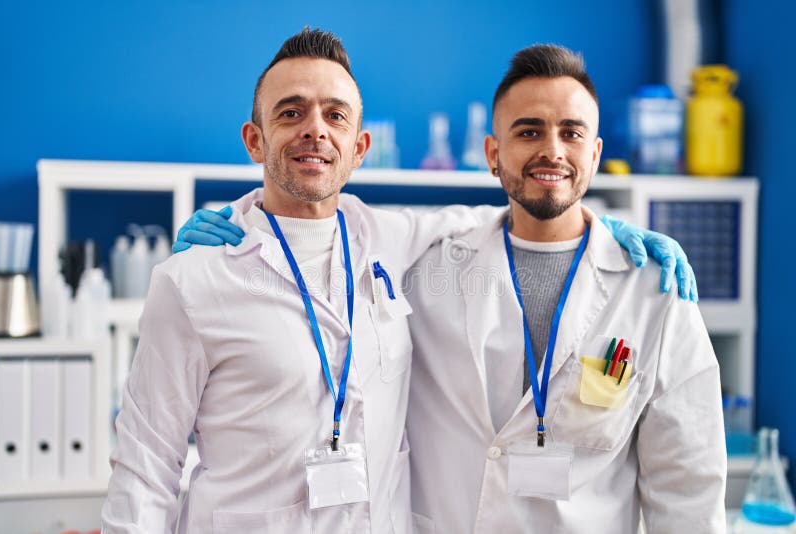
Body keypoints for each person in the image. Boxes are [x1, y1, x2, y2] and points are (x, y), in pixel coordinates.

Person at [105, 28, 696, 534]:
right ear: (254, 139)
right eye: (291, 112)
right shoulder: (192, 281)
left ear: (359, 148)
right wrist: (230, 217)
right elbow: (145, 466)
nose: (316, 129)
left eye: (335, 115)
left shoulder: (387, 240)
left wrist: (613, 229)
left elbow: (520, 207)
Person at [404, 45, 726, 533]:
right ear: (493, 154)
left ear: (594, 154)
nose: (552, 150)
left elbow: (688, 487)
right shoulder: (425, 274)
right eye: (529, 131)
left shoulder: (654, 293)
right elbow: (337, 240)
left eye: (571, 133)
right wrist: (251, 215)